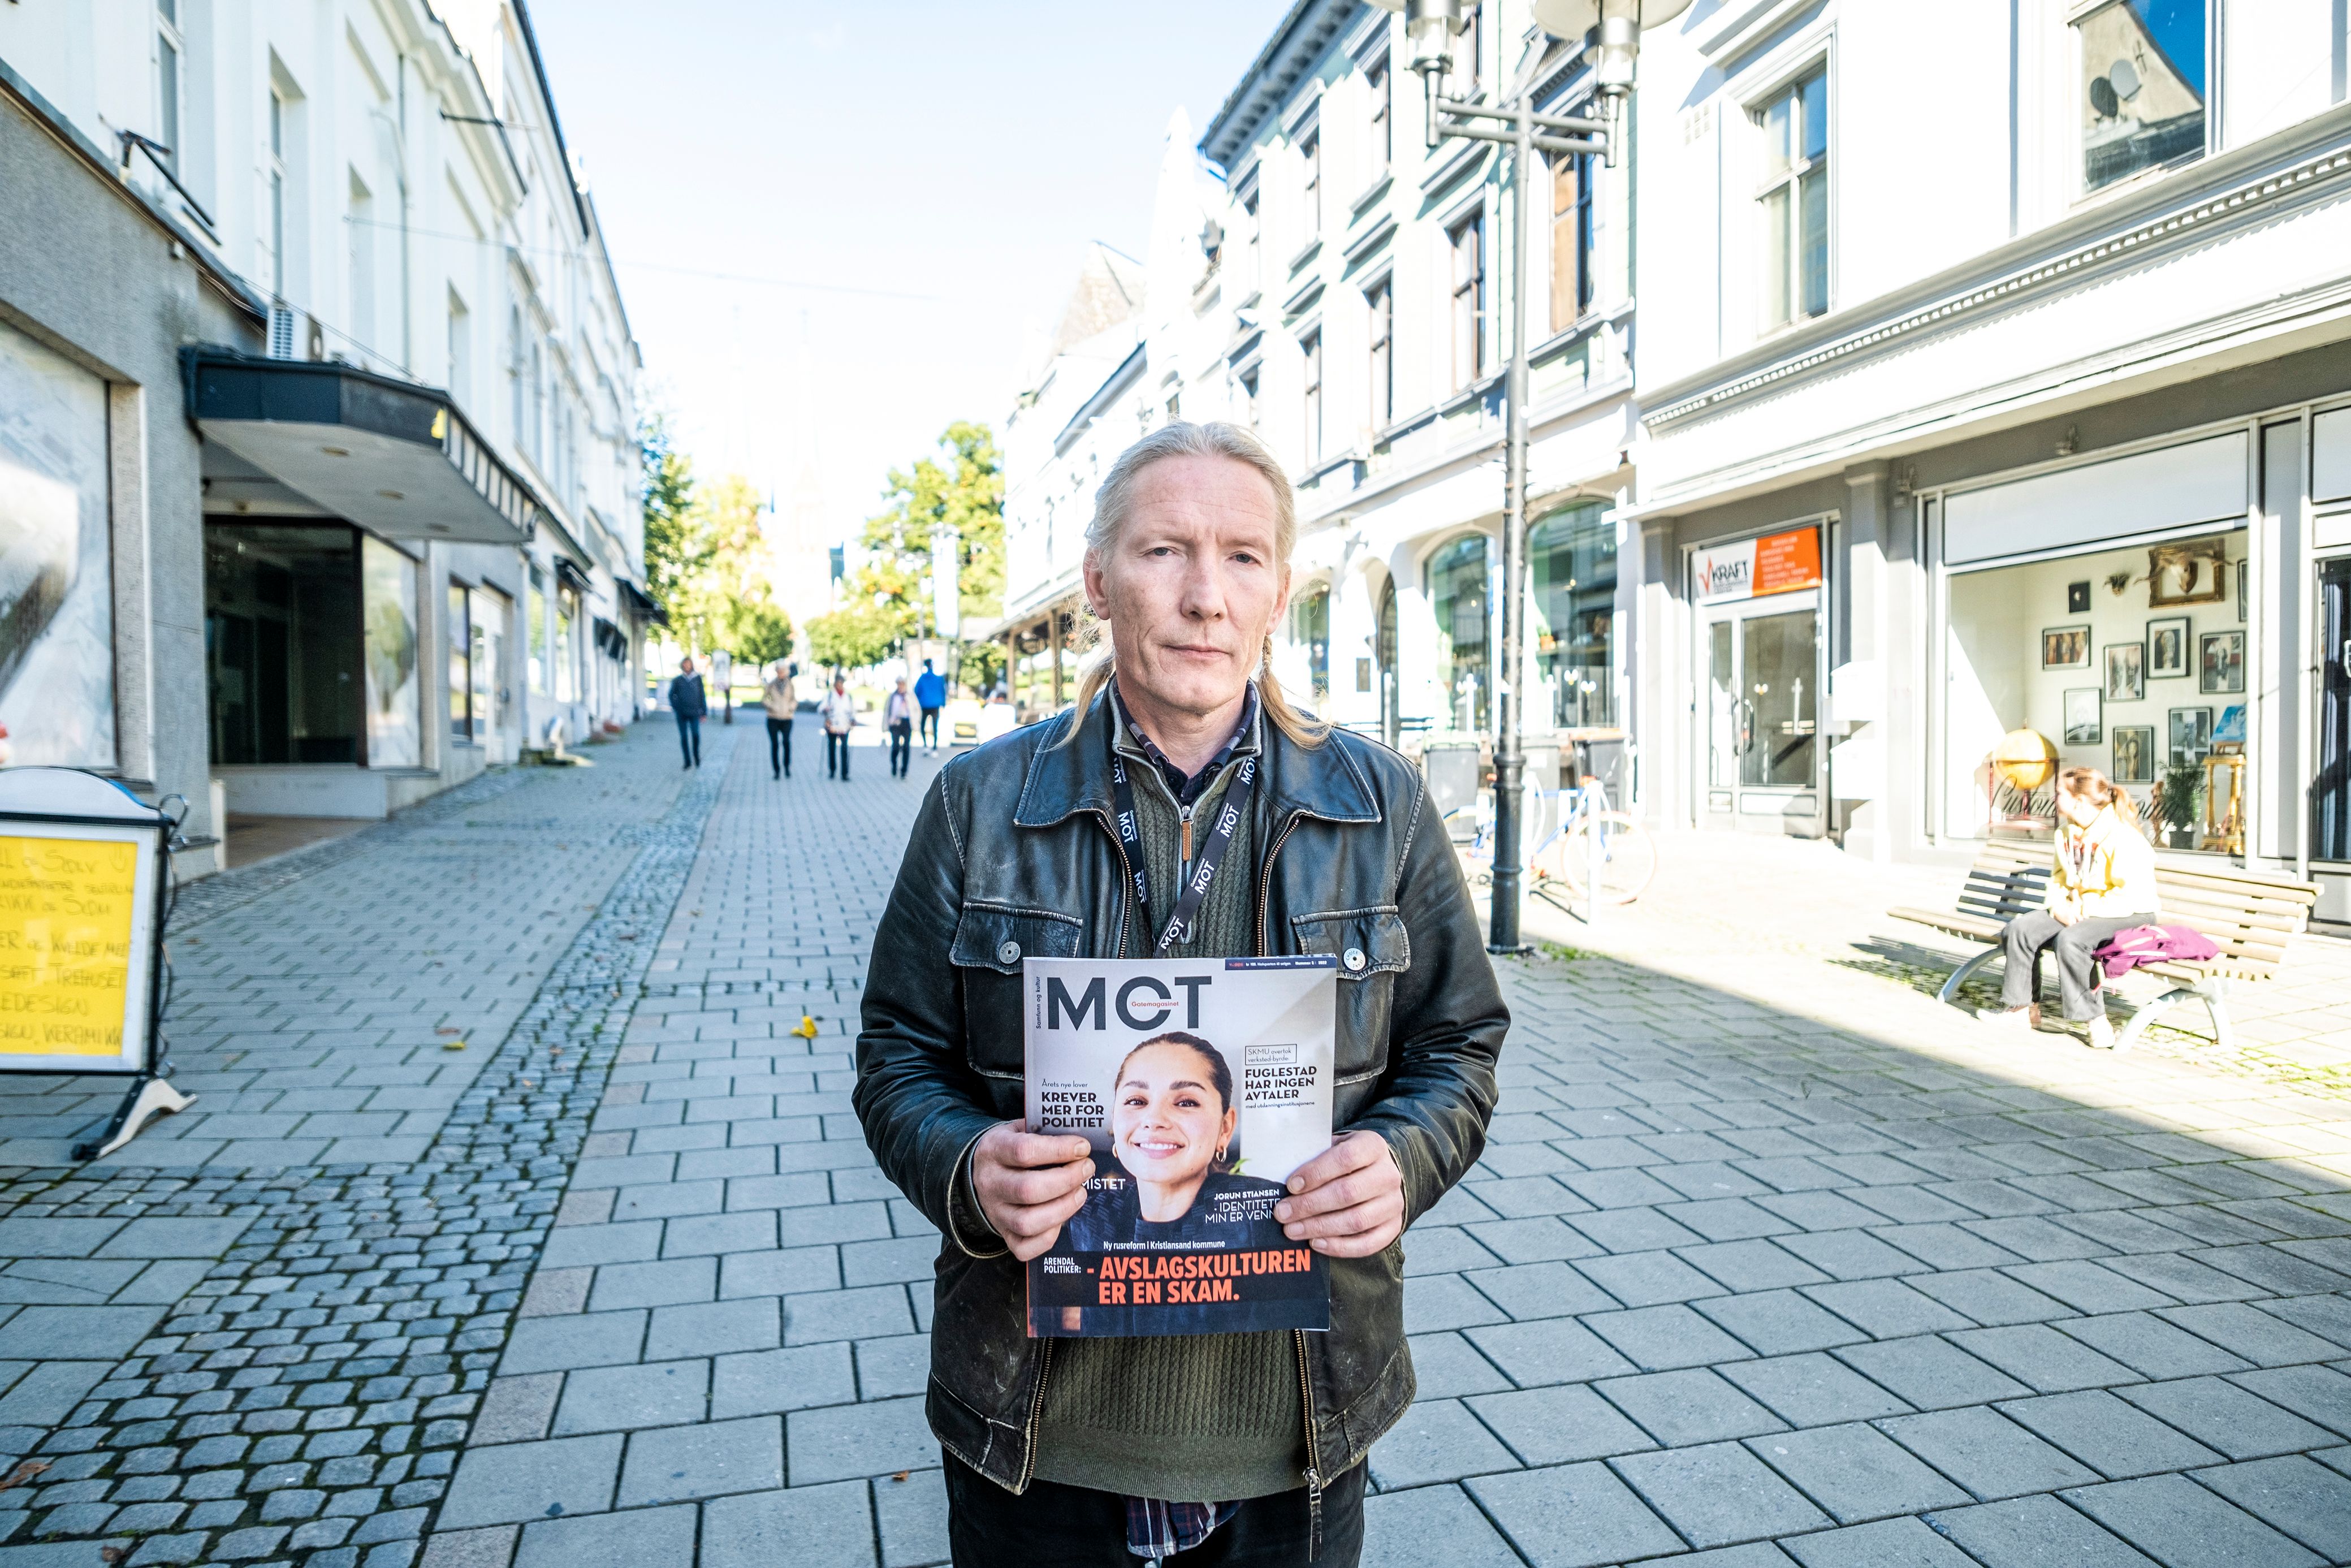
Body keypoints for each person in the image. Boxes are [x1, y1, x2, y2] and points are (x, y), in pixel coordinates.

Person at [854, 421, 1507, 1567]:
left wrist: (1397, 1162)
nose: (1206, 596)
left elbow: (1457, 1047)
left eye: (1243, 557)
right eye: (1164, 551)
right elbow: (898, 1055)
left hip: (1292, 1439)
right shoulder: (978, 801)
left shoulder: (1381, 803)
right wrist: (969, 1167)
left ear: (1279, 592)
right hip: (1040, 1440)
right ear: (1098, 580)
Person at [1978, 766, 2158, 1049]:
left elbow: (2128, 895)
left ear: (2079, 800)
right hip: (2082, 908)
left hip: (2130, 912)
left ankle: (2096, 1020)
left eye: (2060, 792)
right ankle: (2021, 1010)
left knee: (2072, 940)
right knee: (2020, 929)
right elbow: (2059, 879)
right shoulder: (2066, 833)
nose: (2054, 797)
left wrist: (2083, 908)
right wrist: (2058, 906)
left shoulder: (2122, 836)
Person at [668, 656, 707, 770]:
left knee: (696, 735)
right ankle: (687, 761)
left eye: (689, 664)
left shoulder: (697, 679)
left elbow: (702, 696)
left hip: (695, 712)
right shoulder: (678, 680)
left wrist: (704, 712)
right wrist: (676, 707)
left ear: (692, 665)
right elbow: (671, 695)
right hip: (682, 714)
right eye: (685, 664)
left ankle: (696, 756)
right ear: (682, 665)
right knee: (684, 737)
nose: (687, 666)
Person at [762, 662, 796, 780]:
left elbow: (794, 699)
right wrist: (771, 706)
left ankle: (787, 767)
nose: (781, 673)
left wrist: (791, 707)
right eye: (779, 671)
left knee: (786, 742)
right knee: (775, 744)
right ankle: (776, 770)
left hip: (787, 718)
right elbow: (764, 699)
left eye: (783, 671)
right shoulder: (771, 684)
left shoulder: (790, 685)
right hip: (773, 718)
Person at [820, 674, 857, 781]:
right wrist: (825, 710)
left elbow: (852, 710)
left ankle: (844, 773)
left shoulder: (848, 696)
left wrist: (853, 719)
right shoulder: (830, 696)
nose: (840, 685)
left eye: (841, 683)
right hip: (832, 726)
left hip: (844, 726)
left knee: (844, 749)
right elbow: (821, 708)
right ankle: (832, 770)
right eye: (838, 683)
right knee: (832, 748)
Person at [914, 658, 949, 754]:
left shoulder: (922, 679)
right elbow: (943, 691)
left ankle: (926, 746)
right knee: (935, 727)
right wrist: (943, 704)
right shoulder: (939, 679)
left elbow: (916, 691)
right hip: (935, 706)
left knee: (923, 726)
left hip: (924, 706)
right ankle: (935, 748)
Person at [885, 677, 915, 778]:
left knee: (906, 747)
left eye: (902, 684)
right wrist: (886, 725)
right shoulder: (893, 696)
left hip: (907, 722)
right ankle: (894, 765)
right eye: (899, 684)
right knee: (896, 746)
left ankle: (904, 770)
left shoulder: (910, 696)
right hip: (895, 723)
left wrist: (916, 722)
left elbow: (916, 709)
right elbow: (887, 711)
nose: (901, 686)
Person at [710, 650, 734, 725]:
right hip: (722, 681)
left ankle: (728, 718)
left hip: (726, 683)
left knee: (728, 702)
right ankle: (727, 718)